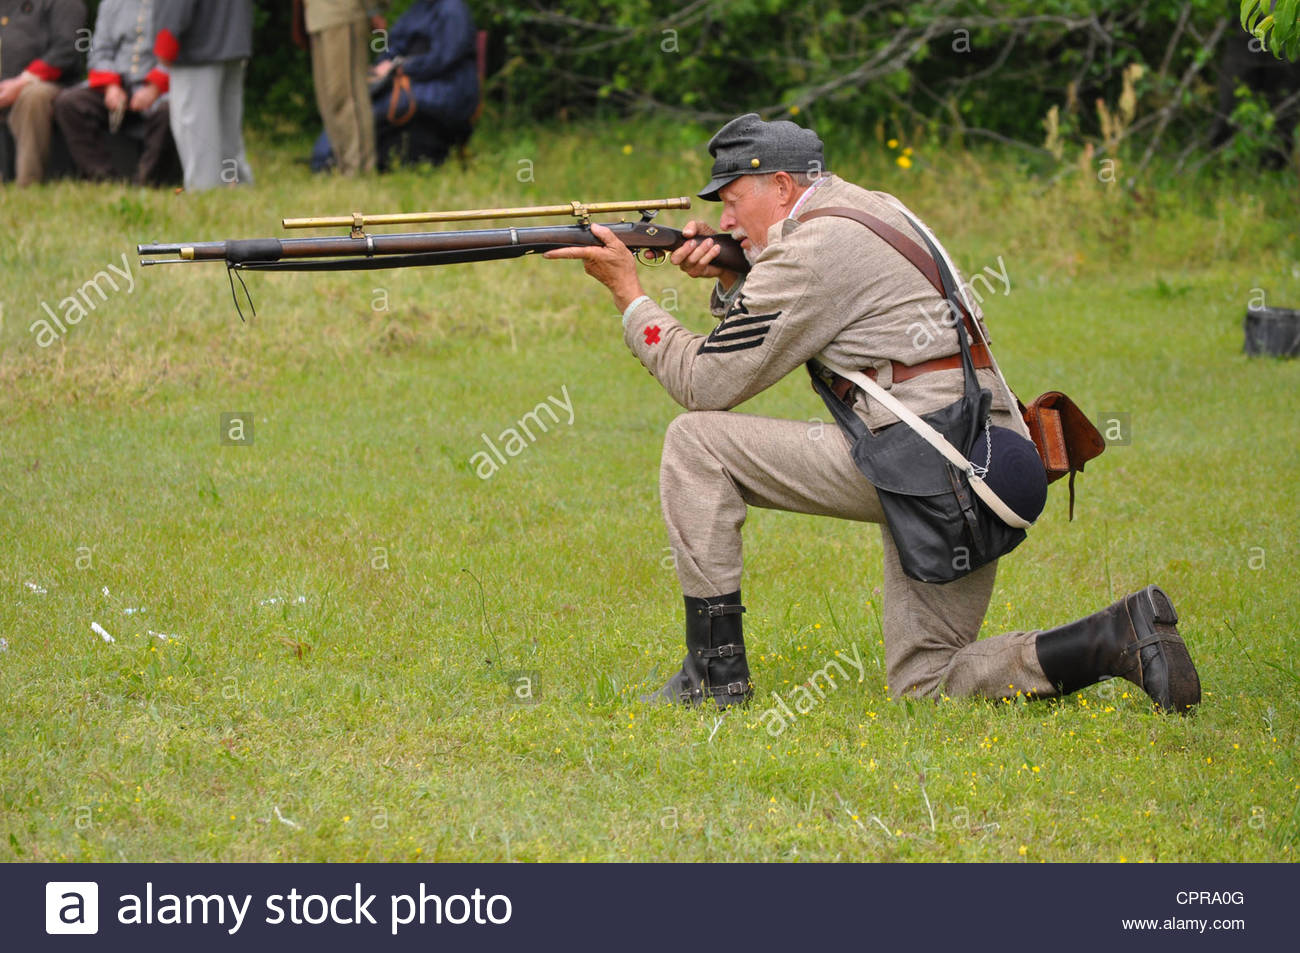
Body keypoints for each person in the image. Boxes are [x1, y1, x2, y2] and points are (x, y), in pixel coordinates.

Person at [545, 113, 1202, 714]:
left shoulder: (809, 249)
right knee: (924, 683)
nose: (724, 216)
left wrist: (629, 294)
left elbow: (705, 381)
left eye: (732, 199)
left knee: (696, 441)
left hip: (928, 460)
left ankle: (715, 677)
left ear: (778, 186)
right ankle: (1116, 636)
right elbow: (809, 316)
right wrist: (728, 276)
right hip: (991, 458)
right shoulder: (873, 208)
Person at [53, 0, 173, 185]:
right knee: (69, 103)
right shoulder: (111, 4)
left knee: (168, 112)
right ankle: (103, 179)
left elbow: (182, 52)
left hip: (161, 87)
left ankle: (146, 181)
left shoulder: (177, 5)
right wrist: (111, 86)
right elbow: (100, 51)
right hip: (119, 83)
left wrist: (155, 87)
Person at [151, 0, 253, 190]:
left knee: (197, 132)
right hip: (233, 36)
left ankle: (205, 192)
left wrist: (166, 41)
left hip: (197, 45)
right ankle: (237, 189)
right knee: (227, 131)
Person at [0, 0, 85, 186]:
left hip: (52, 84)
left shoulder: (65, 4)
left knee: (32, 97)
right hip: (6, 85)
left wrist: (22, 82)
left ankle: (28, 183)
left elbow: (68, 50)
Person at [300, 0, 386, 175]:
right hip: (318, 16)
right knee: (328, 98)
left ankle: (361, 167)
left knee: (347, 94)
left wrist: (374, 10)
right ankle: (345, 164)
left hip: (345, 13)